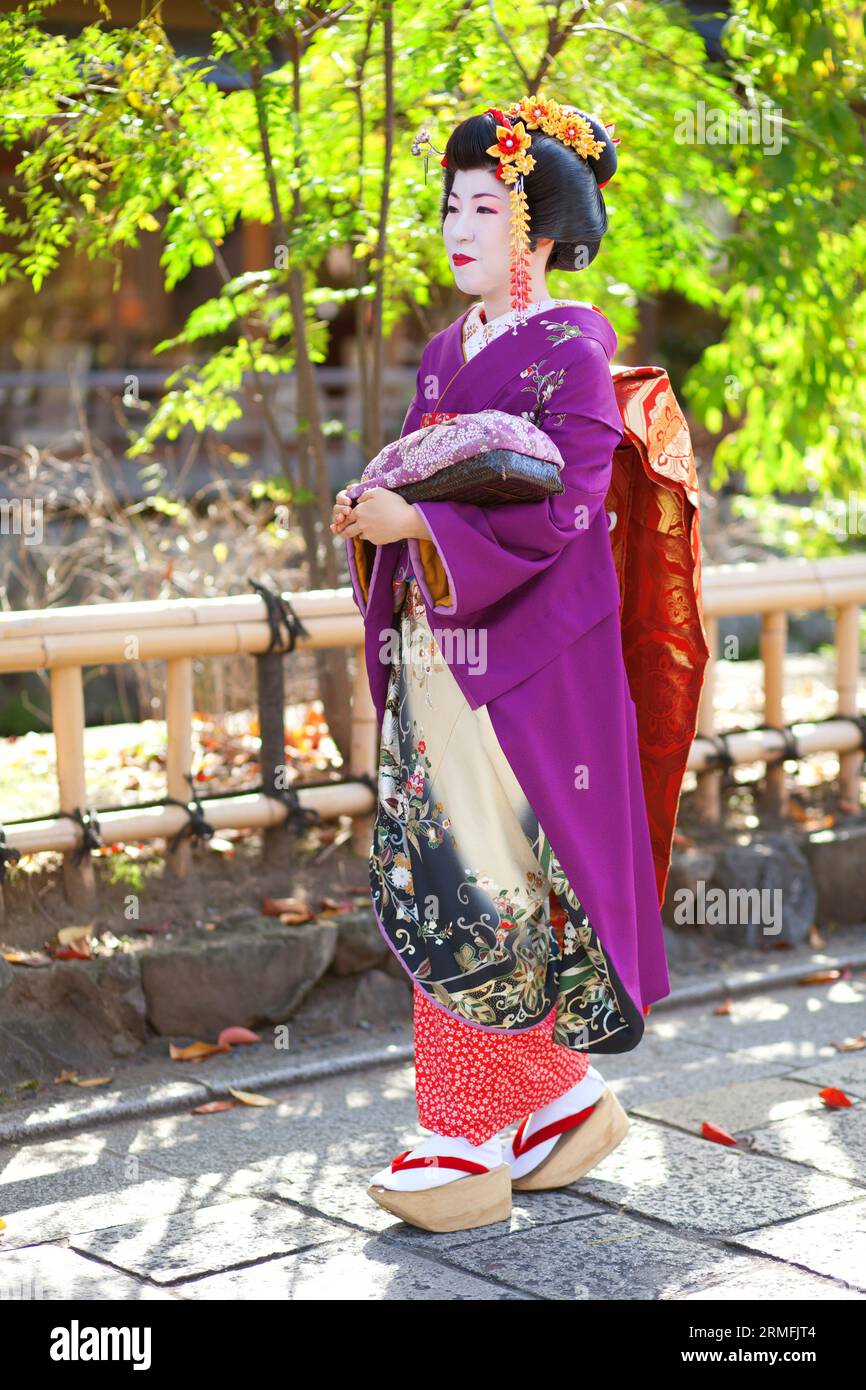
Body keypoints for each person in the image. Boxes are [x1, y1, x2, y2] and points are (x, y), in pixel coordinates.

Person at [332, 97, 670, 1235]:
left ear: (538, 229)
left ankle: (464, 1132)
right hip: (441, 637)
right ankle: (554, 1100)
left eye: (485, 205)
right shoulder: (446, 350)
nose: (457, 224)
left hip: (524, 659)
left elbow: (570, 505)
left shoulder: (572, 345)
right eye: (447, 206)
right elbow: (434, 481)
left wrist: (419, 527)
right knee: (446, 847)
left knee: (473, 872)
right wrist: (382, 518)